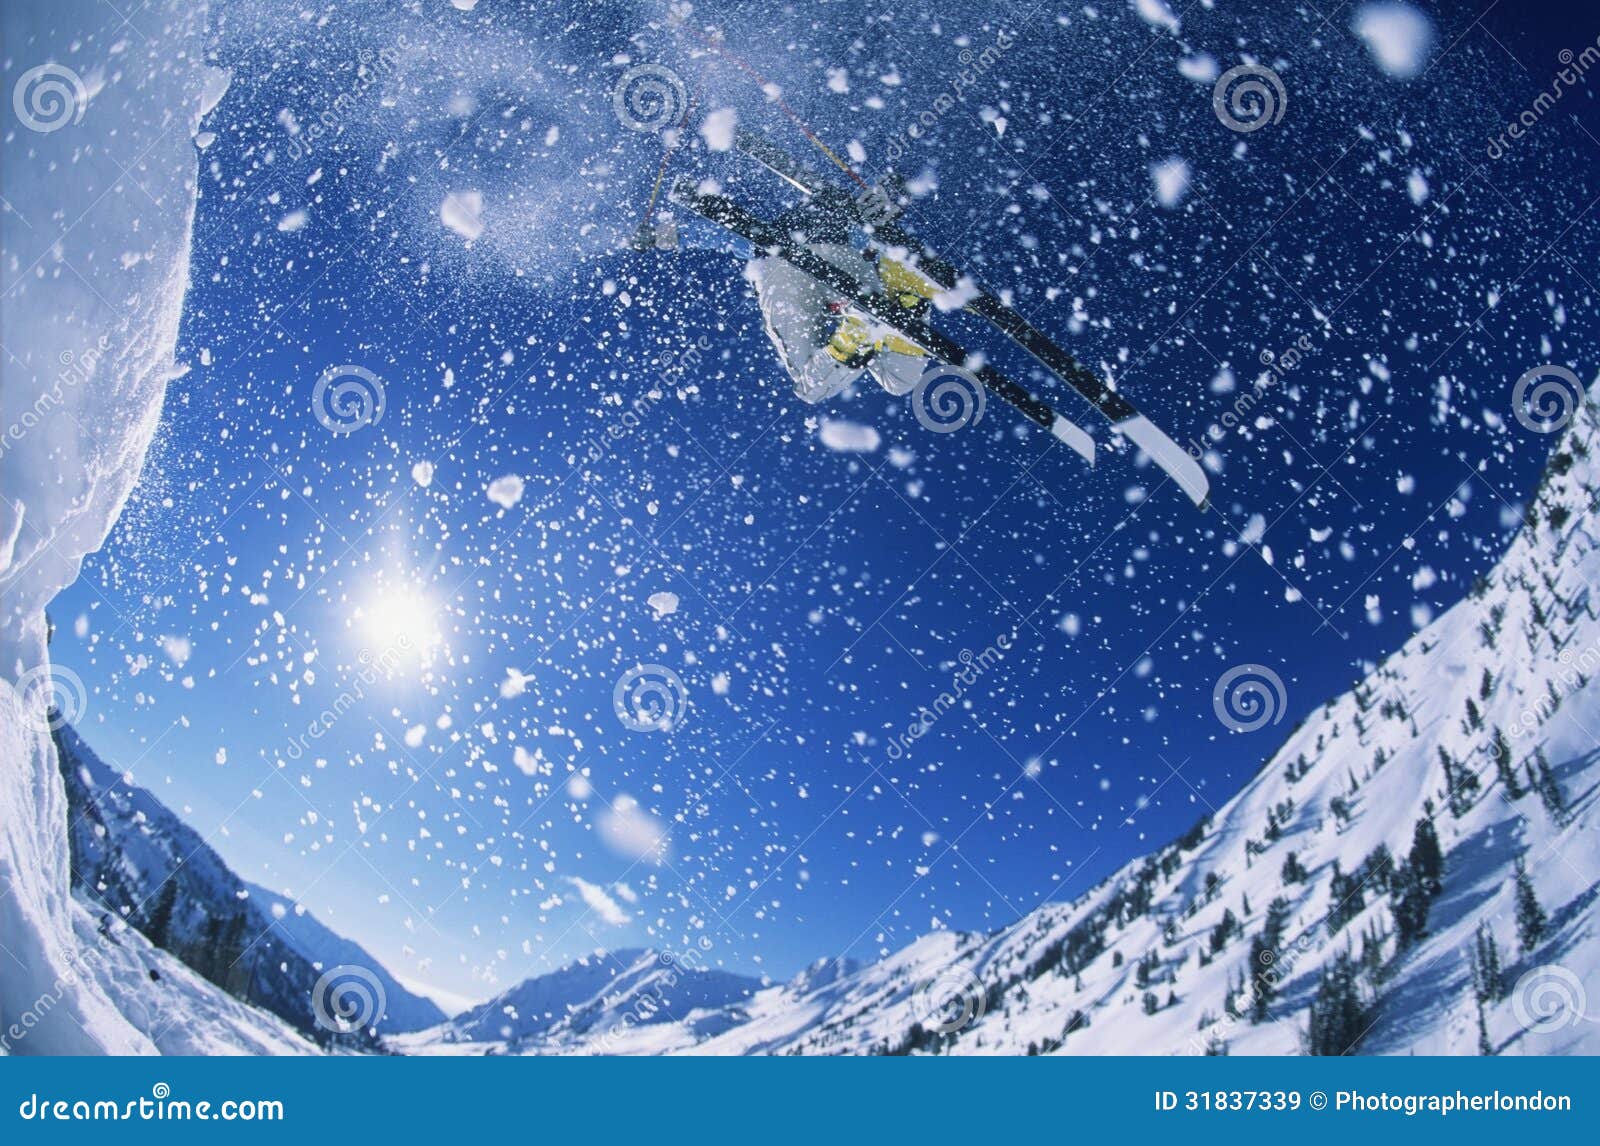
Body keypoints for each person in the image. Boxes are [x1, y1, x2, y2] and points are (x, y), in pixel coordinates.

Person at [746, 187, 940, 405]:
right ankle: (898, 296)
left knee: (814, 390)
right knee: (894, 383)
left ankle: (863, 329)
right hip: (820, 253)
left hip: (795, 255)